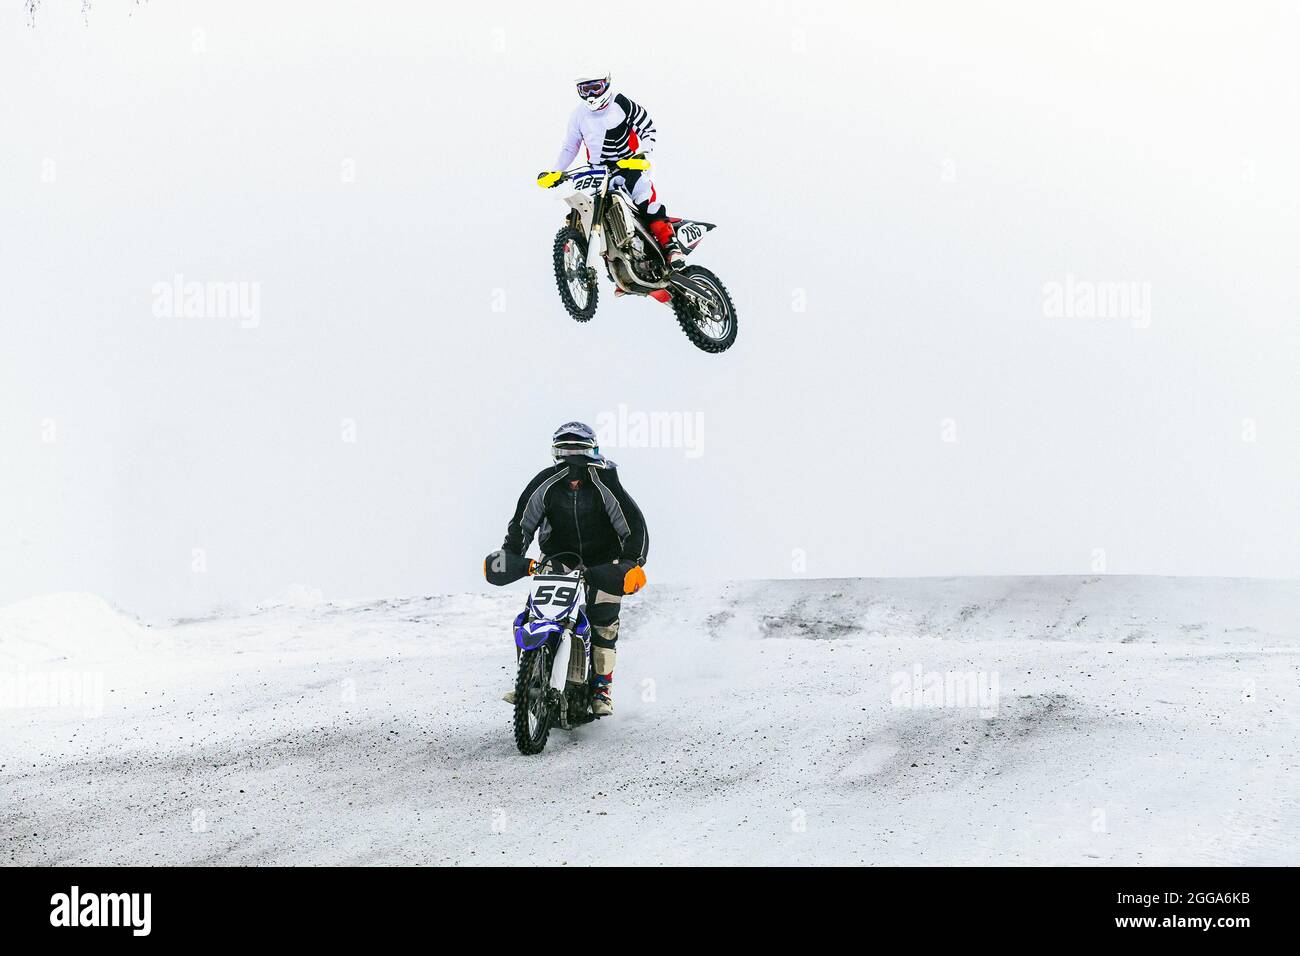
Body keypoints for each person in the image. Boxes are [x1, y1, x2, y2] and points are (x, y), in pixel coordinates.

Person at [488, 422, 648, 716]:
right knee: (537, 612)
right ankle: (530, 678)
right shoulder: (545, 483)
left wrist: (631, 563)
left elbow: (633, 526)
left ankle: (601, 687)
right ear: (556, 454)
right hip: (559, 557)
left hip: (605, 561)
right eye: (565, 451)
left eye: (579, 451)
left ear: (592, 453)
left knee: (604, 621)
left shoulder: (606, 483)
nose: (572, 460)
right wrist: (513, 556)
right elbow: (522, 523)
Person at [536, 71, 684, 269]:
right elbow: (570, 147)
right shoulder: (578, 115)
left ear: (606, 83)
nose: (590, 95)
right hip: (597, 172)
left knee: (645, 203)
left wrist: (643, 153)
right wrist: (555, 171)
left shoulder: (622, 104)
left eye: (595, 88)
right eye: (584, 89)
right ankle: (604, 261)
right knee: (581, 208)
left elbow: (647, 128)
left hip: (629, 167)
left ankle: (671, 248)